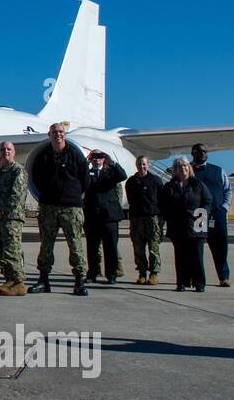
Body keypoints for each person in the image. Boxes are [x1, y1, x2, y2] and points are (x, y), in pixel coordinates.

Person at [29, 122, 91, 295]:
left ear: (65, 134)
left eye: (61, 132)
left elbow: (85, 179)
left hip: (71, 207)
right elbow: (38, 177)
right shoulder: (44, 156)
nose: (58, 134)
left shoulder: (75, 155)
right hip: (49, 206)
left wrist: (72, 194)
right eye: (54, 132)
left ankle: (79, 282)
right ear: (49, 134)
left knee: (76, 245)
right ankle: (43, 281)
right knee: (46, 245)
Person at [159, 156, 213, 292]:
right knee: (180, 256)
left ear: (189, 168)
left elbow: (207, 200)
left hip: (196, 224)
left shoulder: (197, 185)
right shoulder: (170, 186)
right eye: (178, 167)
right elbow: (163, 205)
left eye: (184, 166)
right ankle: (182, 282)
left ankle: (199, 282)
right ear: (174, 170)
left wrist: (202, 214)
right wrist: (165, 219)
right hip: (178, 225)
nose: (181, 169)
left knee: (197, 255)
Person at [0, 141, 28, 296]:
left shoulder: (18, 171)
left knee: (12, 250)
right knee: (2, 251)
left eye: (9, 149)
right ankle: (10, 280)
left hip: (11, 218)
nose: (6, 151)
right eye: (3, 149)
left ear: (14, 152)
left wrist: (2, 211)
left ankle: (19, 283)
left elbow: (16, 195)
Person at [83, 150, 127, 285]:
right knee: (92, 247)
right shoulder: (87, 173)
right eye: (94, 158)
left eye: (100, 158)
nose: (97, 160)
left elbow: (122, 175)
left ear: (104, 160)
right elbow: (77, 175)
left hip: (109, 215)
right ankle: (93, 272)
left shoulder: (110, 172)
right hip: (92, 216)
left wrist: (111, 160)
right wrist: (85, 161)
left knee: (111, 247)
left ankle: (111, 274)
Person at [191, 143, 232, 286]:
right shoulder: (188, 171)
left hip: (217, 214)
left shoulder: (218, 170)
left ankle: (223, 276)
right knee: (196, 248)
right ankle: (196, 278)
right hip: (198, 215)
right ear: (192, 153)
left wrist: (224, 207)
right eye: (198, 151)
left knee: (220, 247)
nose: (201, 153)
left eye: (204, 151)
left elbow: (228, 190)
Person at [125, 155, 164, 284]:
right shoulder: (131, 181)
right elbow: (130, 200)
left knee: (153, 247)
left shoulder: (156, 181)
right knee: (138, 248)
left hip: (152, 218)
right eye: (139, 164)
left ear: (148, 165)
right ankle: (142, 273)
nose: (142, 167)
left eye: (144, 164)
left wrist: (160, 220)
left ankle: (154, 273)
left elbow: (161, 200)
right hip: (137, 218)